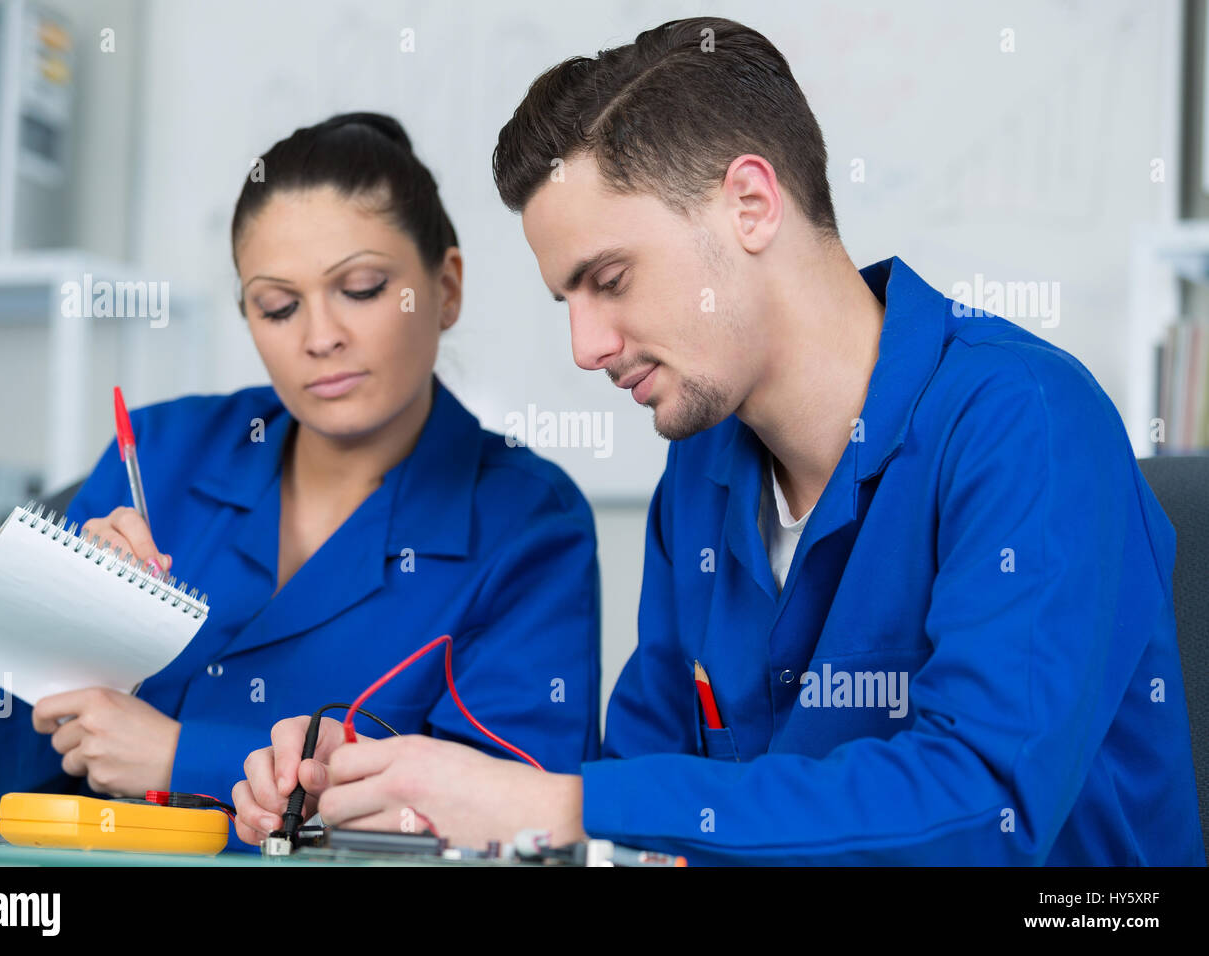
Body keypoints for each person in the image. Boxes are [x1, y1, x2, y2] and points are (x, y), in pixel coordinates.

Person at [234, 19, 1204, 865]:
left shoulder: (1024, 421)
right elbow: (646, 793)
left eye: (608, 278)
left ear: (749, 203)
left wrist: (562, 805)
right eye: (564, 299)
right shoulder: (701, 470)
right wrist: (419, 808)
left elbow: (982, 804)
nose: (585, 346)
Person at [0, 113, 601, 848]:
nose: (320, 337)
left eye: (362, 287)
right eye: (278, 306)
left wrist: (181, 758)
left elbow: (518, 824)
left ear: (444, 288)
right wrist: (73, 623)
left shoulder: (530, 521)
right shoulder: (162, 453)